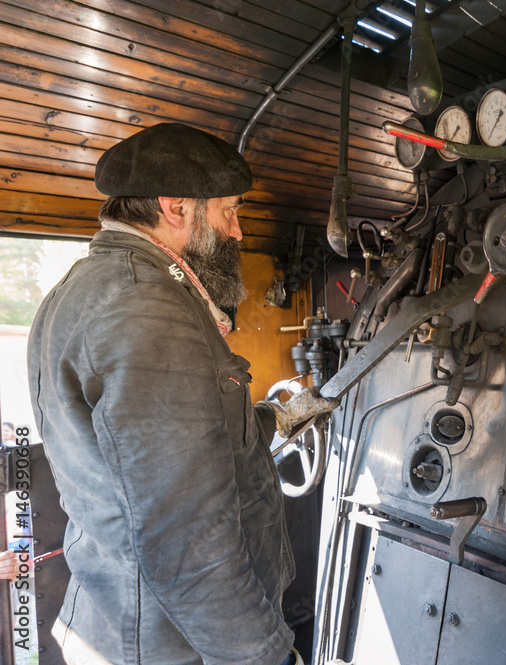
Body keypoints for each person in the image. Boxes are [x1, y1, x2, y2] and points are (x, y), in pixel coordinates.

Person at [28, 123, 304, 665]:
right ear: (176, 207)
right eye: (228, 211)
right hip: (174, 643)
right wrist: (264, 657)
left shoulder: (80, 290)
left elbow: (158, 450)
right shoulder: (145, 305)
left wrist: (275, 418)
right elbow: (188, 536)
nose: (239, 232)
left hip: (125, 621)